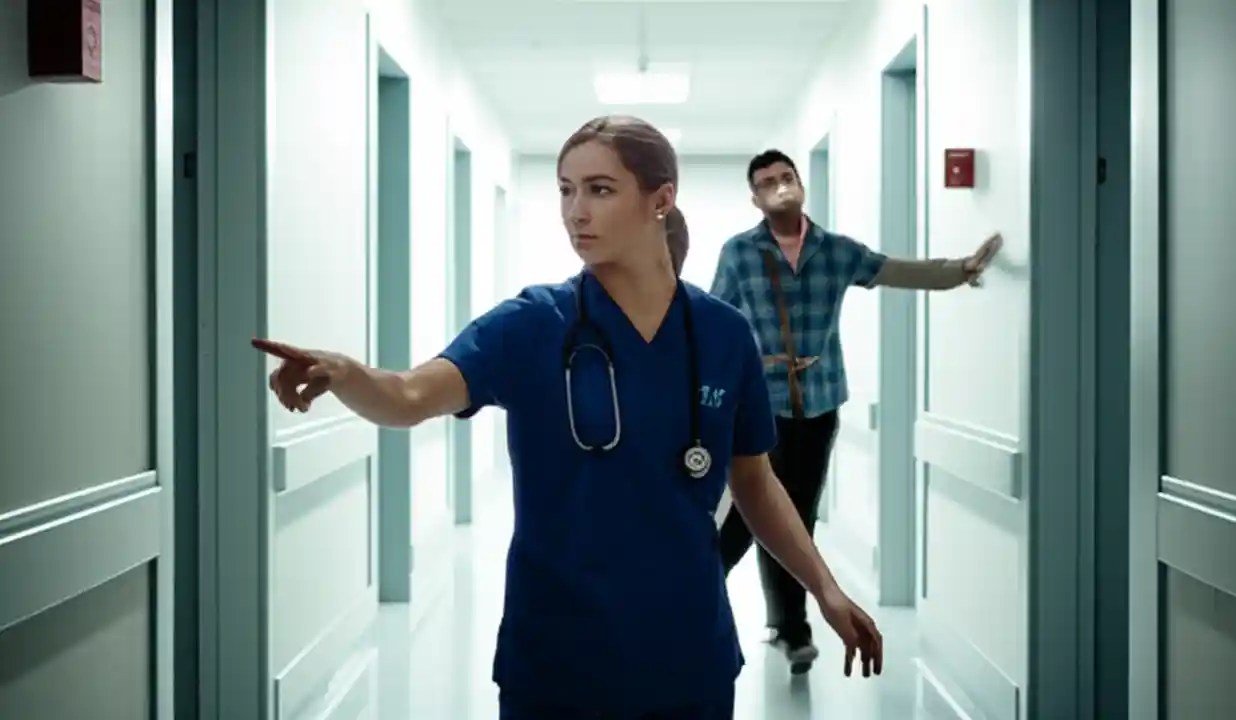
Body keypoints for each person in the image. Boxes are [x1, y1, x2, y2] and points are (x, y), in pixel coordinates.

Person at [253, 118, 883, 720]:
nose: (576, 211)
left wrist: (825, 589)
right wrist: (349, 374)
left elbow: (755, 482)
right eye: (565, 190)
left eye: (599, 190)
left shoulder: (723, 334)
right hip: (558, 659)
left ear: (661, 199)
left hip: (688, 653)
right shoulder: (531, 325)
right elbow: (409, 396)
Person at [712, 149, 1002, 674]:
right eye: (768, 182)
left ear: (800, 184)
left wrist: (961, 270)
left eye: (786, 177)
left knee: (797, 518)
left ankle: (790, 629)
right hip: (760, 405)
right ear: (755, 199)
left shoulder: (837, 252)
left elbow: (897, 270)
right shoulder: (739, 253)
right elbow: (715, 317)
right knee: (748, 515)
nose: (780, 186)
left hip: (820, 403)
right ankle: (694, 599)